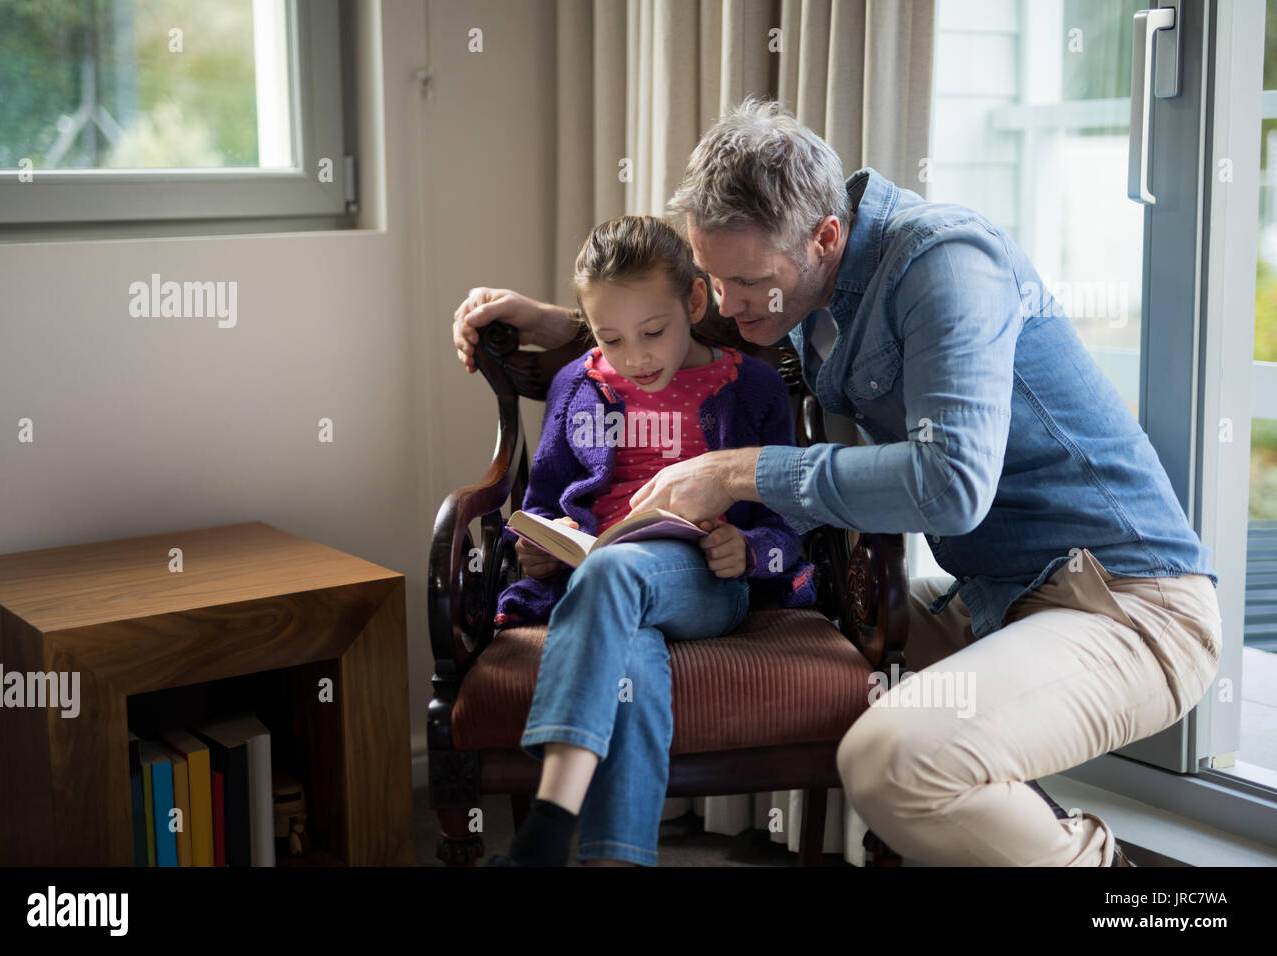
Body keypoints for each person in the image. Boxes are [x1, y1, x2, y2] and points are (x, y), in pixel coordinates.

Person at [454, 97, 1221, 867]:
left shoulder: (946, 264)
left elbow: (951, 485)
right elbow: (681, 329)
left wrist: (738, 471)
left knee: (890, 760)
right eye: (715, 282)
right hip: (992, 598)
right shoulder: (799, 290)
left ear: (825, 236)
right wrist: (564, 326)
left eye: (747, 283)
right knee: (740, 619)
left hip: (1125, 601)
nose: (729, 304)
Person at [484, 214, 816, 867]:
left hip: (703, 583)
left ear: (694, 301)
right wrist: (541, 549)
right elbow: (544, 503)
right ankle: (616, 859)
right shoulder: (576, 385)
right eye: (610, 338)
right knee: (630, 662)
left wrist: (748, 553)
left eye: (654, 332)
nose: (634, 356)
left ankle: (546, 831)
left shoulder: (751, 387)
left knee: (615, 574)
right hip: (601, 584)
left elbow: (795, 516)